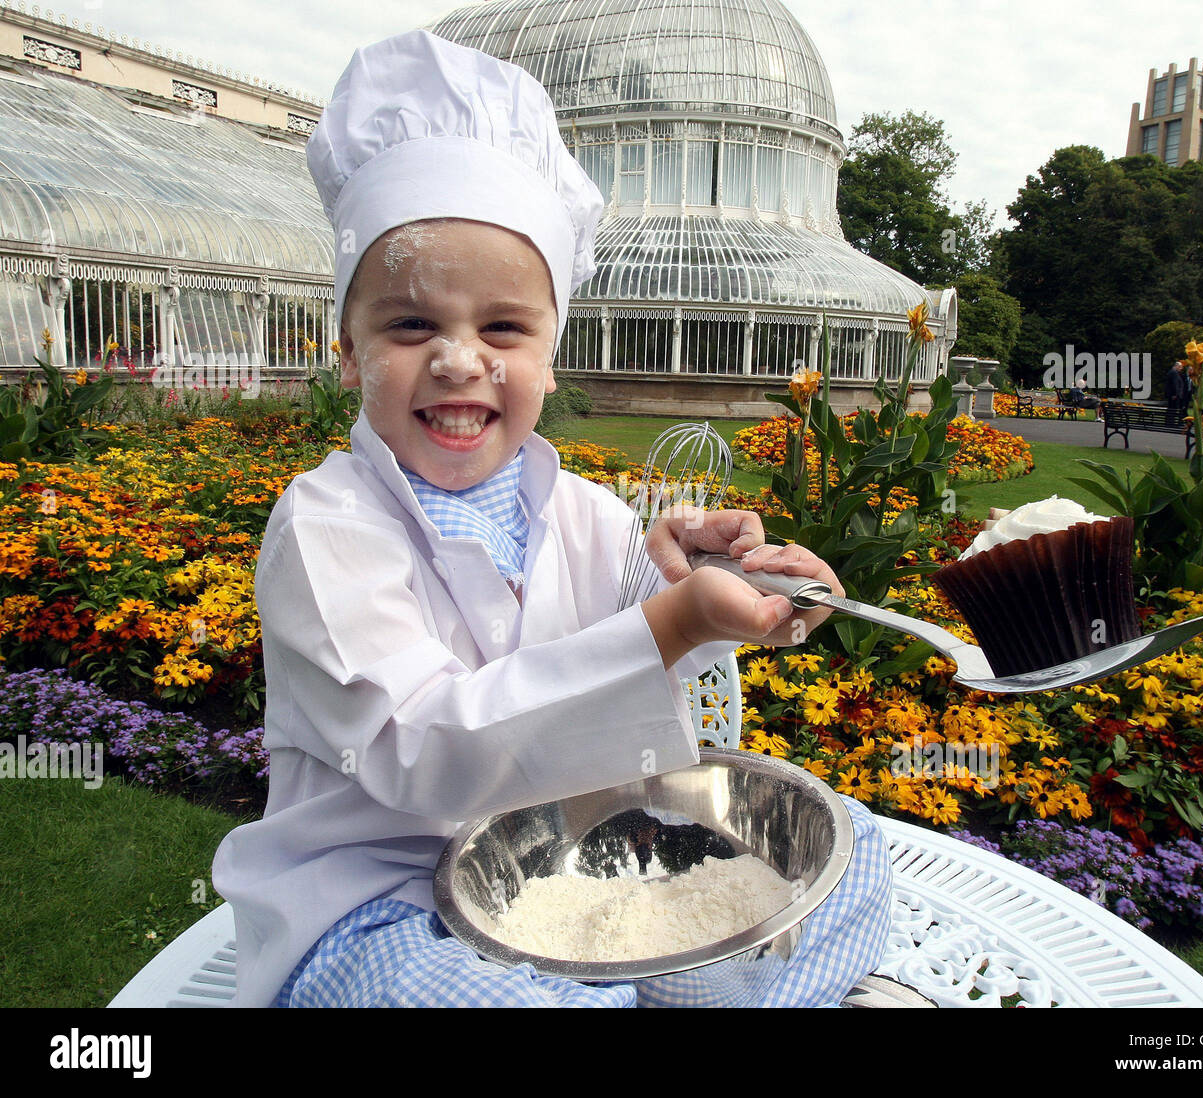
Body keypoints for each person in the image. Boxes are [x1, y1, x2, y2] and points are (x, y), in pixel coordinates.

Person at [212, 30, 893, 1009]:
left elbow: (651, 694)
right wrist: (672, 622)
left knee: (848, 848)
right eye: (410, 325)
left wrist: (725, 600)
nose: (457, 360)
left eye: (501, 327)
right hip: (378, 901)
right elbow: (422, 754)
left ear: (550, 353)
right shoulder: (325, 527)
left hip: (567, 871)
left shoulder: (584, 511)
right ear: (349, 354)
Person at [1165, 360, 1190, 425]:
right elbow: (1175, 384)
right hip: (1174, 395)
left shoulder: (1173, 372)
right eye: (1180, 367)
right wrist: (1175, 394)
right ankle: (1170, 423)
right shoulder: (1174, 373)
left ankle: (1170, 422)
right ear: (1176, 366)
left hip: (1173, 395)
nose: (1181, 369)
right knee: (1172, 409)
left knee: (1172, 408)